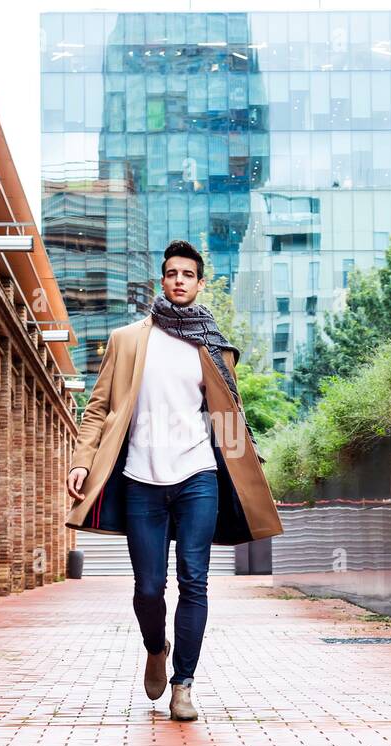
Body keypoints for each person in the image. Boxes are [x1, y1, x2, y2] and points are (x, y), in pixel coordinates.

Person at [64, 240, 283, 721]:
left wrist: (247, 464)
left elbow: (227, 415)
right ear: (161, 282)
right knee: (148, 588)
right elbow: (98, 408)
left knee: (195, 582)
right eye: (171, 273)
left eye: (188, 274)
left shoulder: (213, 345)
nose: (179, 280)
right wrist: (82, 459)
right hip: (142, 478)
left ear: (200, 284)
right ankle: (154, 648)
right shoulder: (127, 341)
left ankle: (184, 685)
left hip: (197, 476)